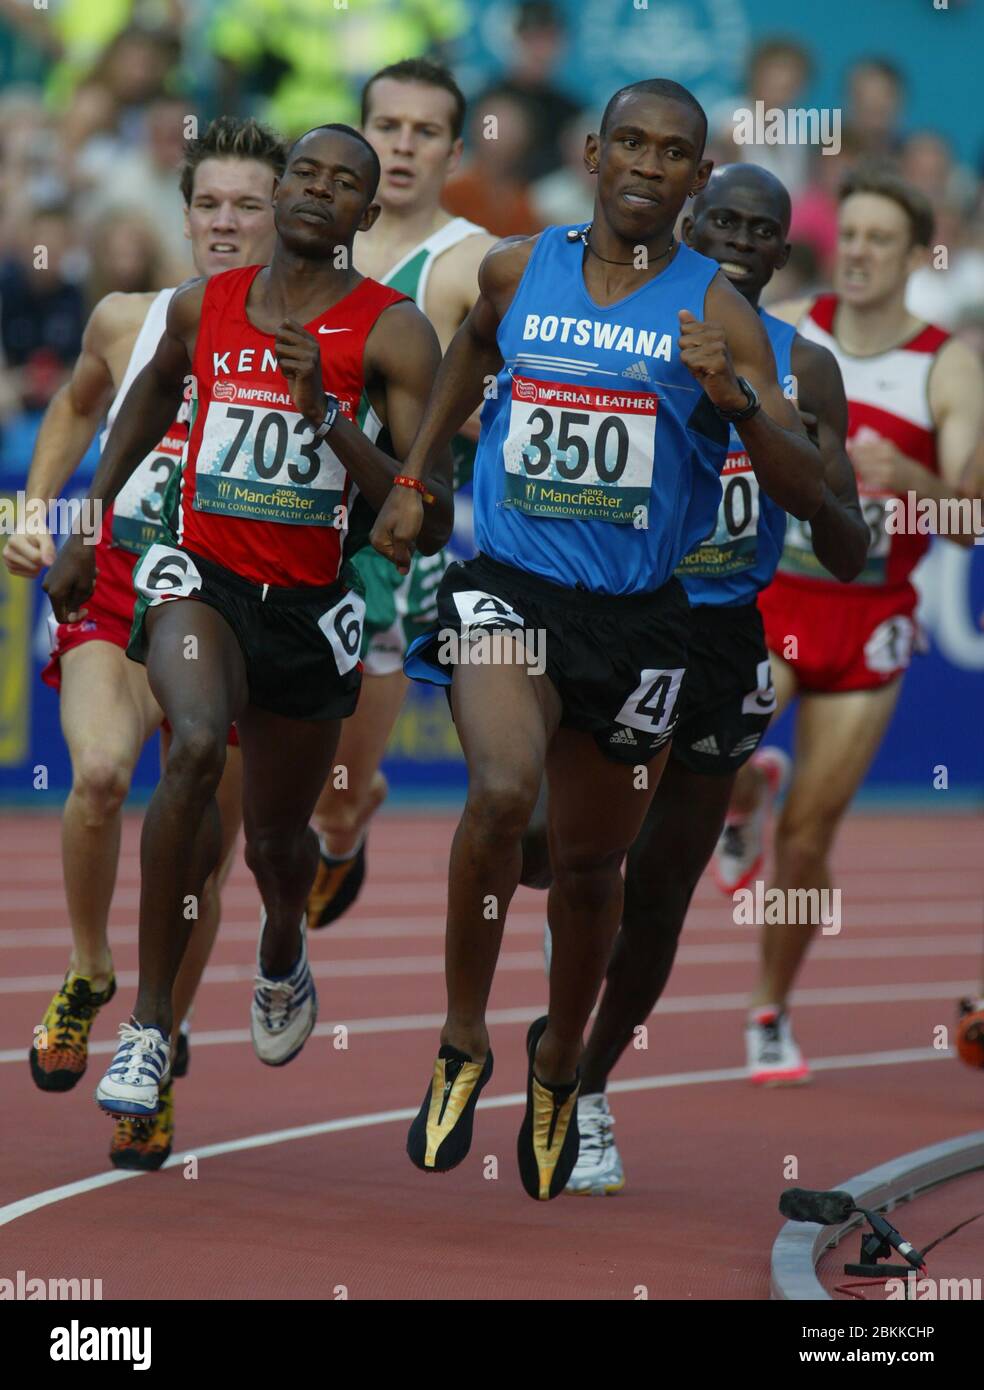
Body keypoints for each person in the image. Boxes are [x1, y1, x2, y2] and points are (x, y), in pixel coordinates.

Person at [371, 80, 827, 1201]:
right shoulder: (518, 268)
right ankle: (463, 1039)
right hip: (510, 591)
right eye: (630, 142)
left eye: (673, 153)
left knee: (587, 868)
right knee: (499, 793)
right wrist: (421, 476)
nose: (646, 165)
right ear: (592, 151)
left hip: (638, 624)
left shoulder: (717, 312)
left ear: (695, 176)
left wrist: (737, 401)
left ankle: (562, 1063)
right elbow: (469, 353)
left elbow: (810, 491)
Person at [43, 122, 453, 1123]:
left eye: (341, 182)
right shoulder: (205, 305)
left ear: (367, 211)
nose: (317, 191)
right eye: (303, 174)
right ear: (281, 198)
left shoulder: (393, 329)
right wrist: (89, 528)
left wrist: (326, 415)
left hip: (312, 608)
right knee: (187, 750)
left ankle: (282, 947)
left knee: (275, 845)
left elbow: (421, 504)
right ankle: (147, 1025)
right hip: (203, 581)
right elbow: (141, 405)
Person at [529, 163, 868, 1193]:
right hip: (613, 623)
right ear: (686, 219)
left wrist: (784, 443)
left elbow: (847, 547)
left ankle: (584, 1085)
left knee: (662, 893)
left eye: (758, 229)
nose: (735, 238)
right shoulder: (621, 324)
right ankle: (547, 1021)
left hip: (721, 644)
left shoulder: (805, 366)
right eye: (717, 218)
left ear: (781, 250)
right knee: (545, 849)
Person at [3, 115, 286, 1169]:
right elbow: (74, 410)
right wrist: (31, 512)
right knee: (103, 775)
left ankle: (157, 1045)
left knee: (202, 854)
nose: (224, 221)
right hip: (116, 587)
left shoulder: (329, 339)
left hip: (239, 610)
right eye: (208, 203)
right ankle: (88, 969)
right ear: (185, 212)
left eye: (246, 204)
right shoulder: (131, 318)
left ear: (286, 212)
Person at [714, 166, 984, 1082]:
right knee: (711, 757)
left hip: (869, 618)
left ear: (916, 255)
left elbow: (972, 521)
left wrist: (914, 484)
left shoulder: (947, 364)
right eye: (853, 235)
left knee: (810, 839)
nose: (861, 251)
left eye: (882, 239)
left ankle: (769, 1009)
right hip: (771, 598)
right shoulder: (790, 324)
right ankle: (743, 796)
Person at [304, 58, 495, 930]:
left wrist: (429, 404)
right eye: (388, 127)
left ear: (455, 151)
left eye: (425, 132)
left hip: (382, 550)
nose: (404, 145)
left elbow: (516, 409)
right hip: (275, 518)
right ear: (359, 133)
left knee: (334, 792)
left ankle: (347, 829)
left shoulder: (470, 266)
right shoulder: (303, 239)